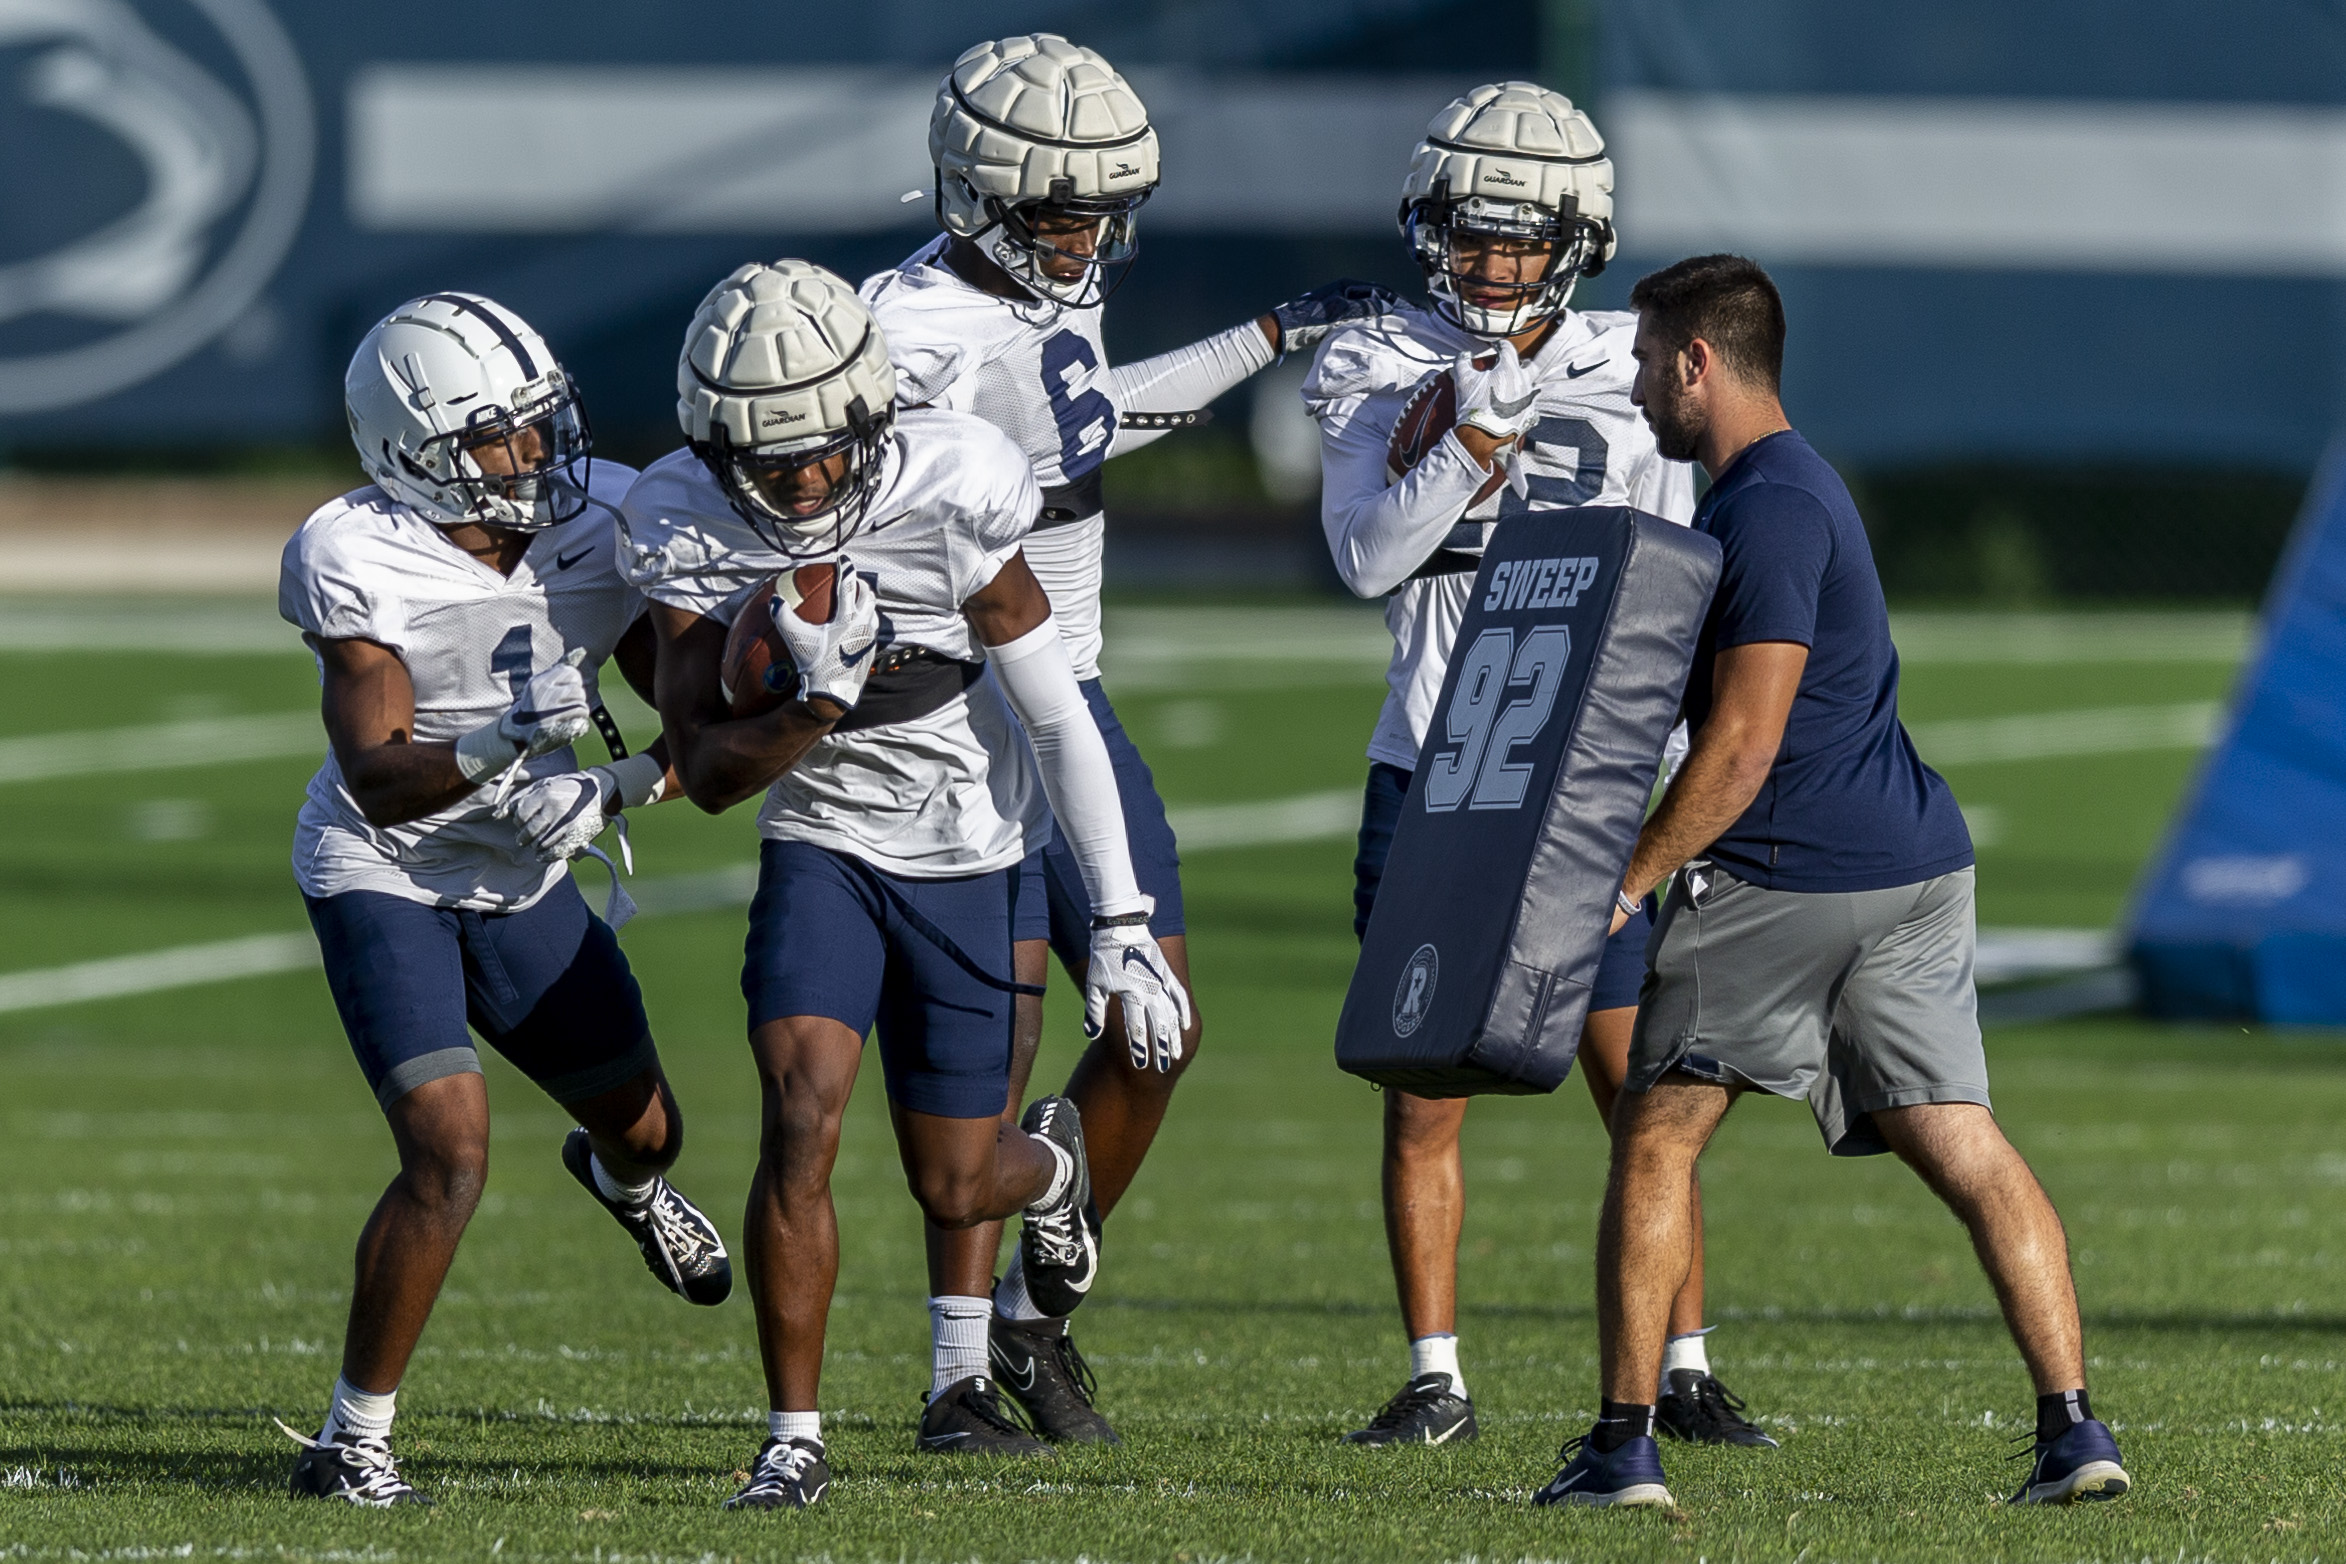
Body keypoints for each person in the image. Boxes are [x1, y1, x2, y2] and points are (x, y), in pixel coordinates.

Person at [858, 30, 1401, 1445]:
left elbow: (1089, 424)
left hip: (1067, 703)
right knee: (990, 1052)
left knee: (1157, 1025)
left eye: (1105, 209)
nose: (1089, 237)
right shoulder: (902, 340)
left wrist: (1263, 338)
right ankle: (958, 1375)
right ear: (974, 194)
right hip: (951, 724)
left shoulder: (1040, 289)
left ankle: (1033, 1318)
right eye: (1062, 210)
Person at [1534, 254, 2132, 1509]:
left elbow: (1744, 746)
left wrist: (1629, 877)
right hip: (1914, 868)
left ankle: (1623, 1446)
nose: (1639, 385)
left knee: (1655, 1139)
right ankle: (2076, 1432)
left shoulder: (1766, 506)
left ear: (1699, 360)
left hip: (1788, 877)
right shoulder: (1788, 490)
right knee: (1962, 1144)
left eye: (1649, 359)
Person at [622, 259, 1190, 1508]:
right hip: (821, 843)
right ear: (717, 452)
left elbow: (1055, 712)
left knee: (955, 1178)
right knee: (800, 1114)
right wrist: (819, 701)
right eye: (774, 464)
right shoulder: (678, 515)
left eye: (827, 454)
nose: (808, 484)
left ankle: (1052, 1169)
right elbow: (711, 769)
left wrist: (1127, 921)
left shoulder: (955, 480)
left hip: (969, 847)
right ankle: (793, 1436)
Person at [1303, 82, 1769, 1450]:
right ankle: (1434, 1372)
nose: (1490, 265)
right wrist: (1470, 432)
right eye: (1469, 236)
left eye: (1517, 242)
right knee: (1422, 1088)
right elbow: (1368, 556)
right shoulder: (1372, 360)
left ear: (1574, 241)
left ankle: (1682, 1362)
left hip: (1595, 769)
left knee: (1640, 1088)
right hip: (1434, 758)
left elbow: (1689, 563)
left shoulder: (1642, 358)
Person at [277, 293, 728, 1507]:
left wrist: (617, 786)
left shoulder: (610, 516)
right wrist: (499, 744)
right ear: (409, 451)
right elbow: (377, 779)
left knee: (650, 1130)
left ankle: (626, 1187)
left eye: (541, 425)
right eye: (501, 437)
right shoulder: (352, 548)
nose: (537, 456)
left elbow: (709, 733)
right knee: (449, 1147)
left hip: (524, 867)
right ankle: (351, 1440)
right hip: (391, 867)